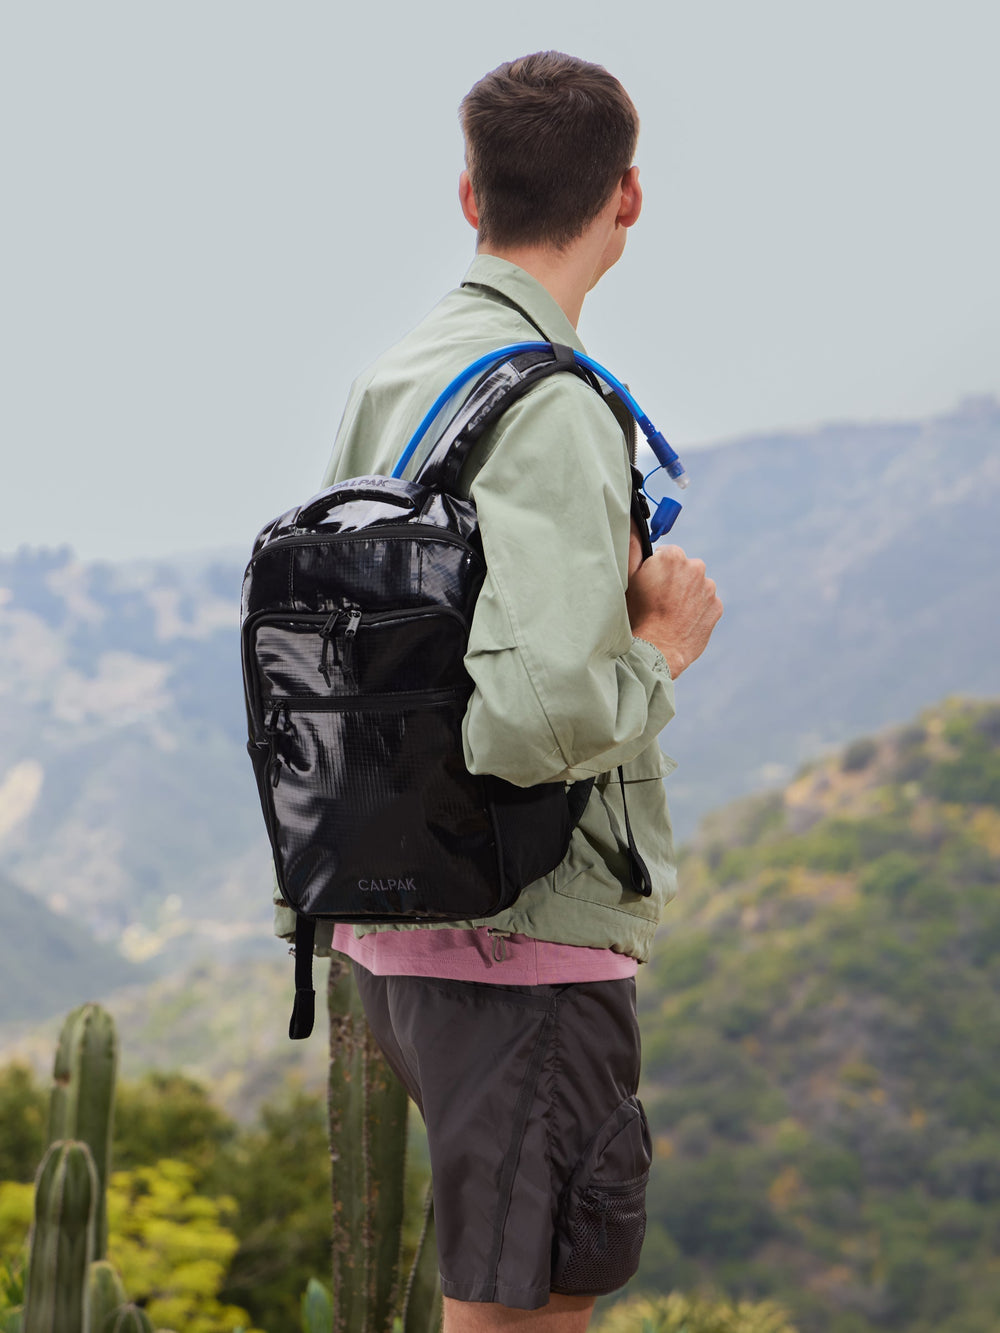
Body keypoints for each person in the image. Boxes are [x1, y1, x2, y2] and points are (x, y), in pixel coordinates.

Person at [286, 51, 722, 1332]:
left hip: (391, 913)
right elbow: (534, 720)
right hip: (522, 933)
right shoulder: (553, 406)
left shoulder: (395, 376)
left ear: (468, 196)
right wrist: (661, 649)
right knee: (526, 1310)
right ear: (628, 198)